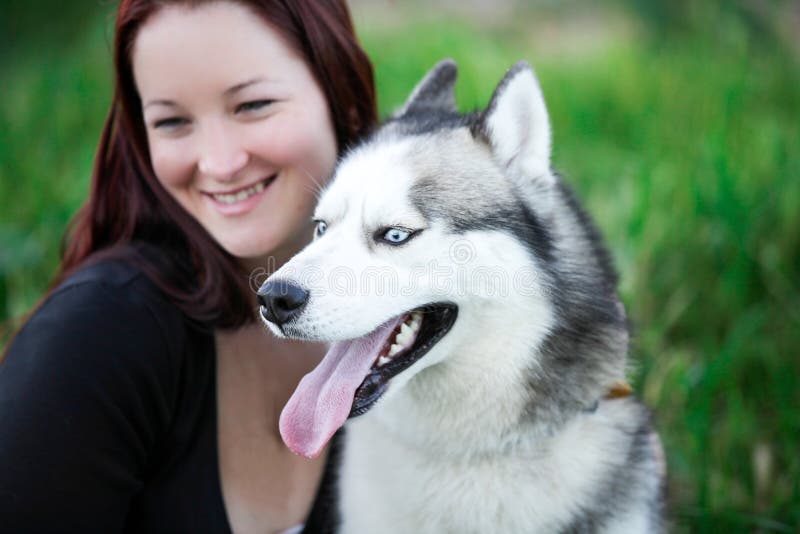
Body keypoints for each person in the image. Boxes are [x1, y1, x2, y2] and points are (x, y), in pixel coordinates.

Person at [0, 0, 377, 532]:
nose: (219, 163)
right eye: (173, 122)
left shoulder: (407, 318)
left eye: (253, 105)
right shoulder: (96, 334)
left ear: (343, 97)